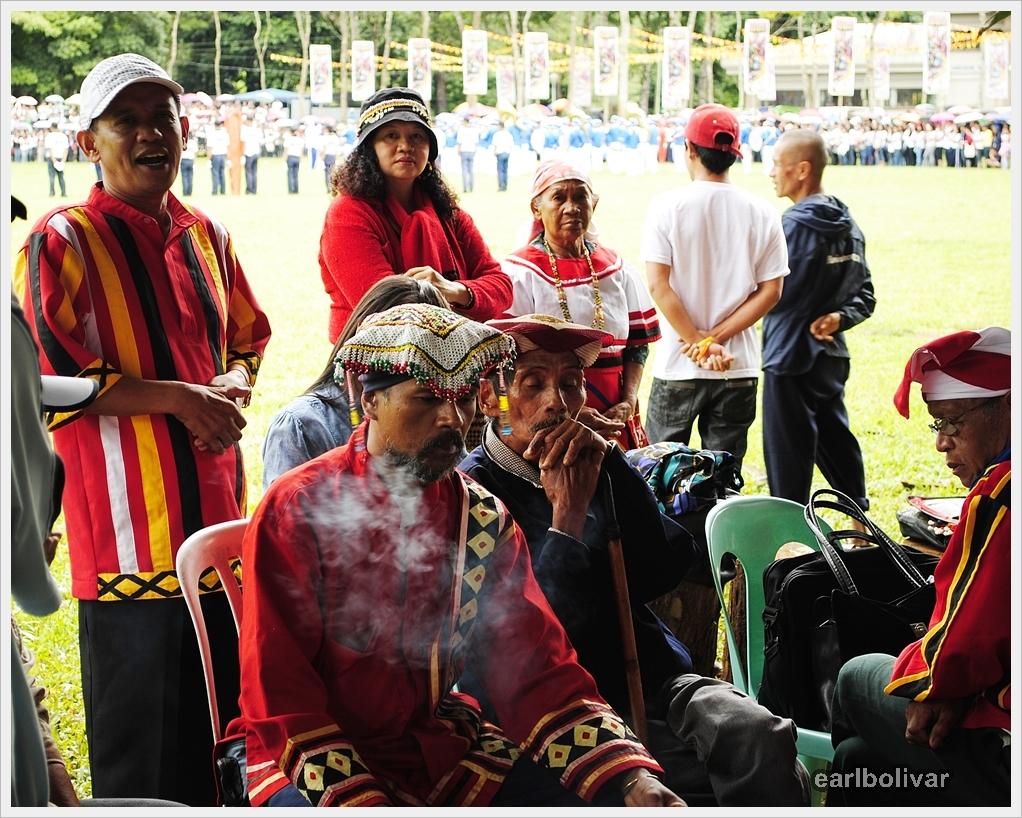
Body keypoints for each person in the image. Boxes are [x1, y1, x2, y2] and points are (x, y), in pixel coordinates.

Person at [228, 304, 685, 808]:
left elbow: (535, 668)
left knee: (592, 800)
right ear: (368, 399)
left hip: (438, 745)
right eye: (426, 398)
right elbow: (280, 694)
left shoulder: (481, 517)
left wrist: (630, 780)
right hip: (304, 751)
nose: (453, 419)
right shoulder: (298, 508)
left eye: (464, 398)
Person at [11, 53, 272, 805]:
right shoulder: (61, 240)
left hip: (219, 540)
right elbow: (42, 380)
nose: (151, 133)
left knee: (225, 753)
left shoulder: (206, 236)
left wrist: (230, 384)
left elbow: (248, 337)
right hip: (129, 550)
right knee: (146, 767)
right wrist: (182, 400)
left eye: (163, 118)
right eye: (127, 121)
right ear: (87, 143)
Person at [458, 314, 809, 807]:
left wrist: (617, 470)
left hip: (652, 679)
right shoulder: (472, 493)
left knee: (758, 734)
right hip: (554, 710)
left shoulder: (594, 462)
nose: (557, 403)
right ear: (491, 399)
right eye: (532, 384)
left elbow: (663, 569)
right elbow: (529, 635)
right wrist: (568, 522)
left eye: (571, 384)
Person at [829, 327, 1011, 807]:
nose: (941, 444)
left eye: (951, 422)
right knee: (857, 760)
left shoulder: (1003, 495)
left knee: (854, 676)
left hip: (1005, 751)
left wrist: (942, 687)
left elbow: (959, 650)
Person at [640, 103, 788, 473]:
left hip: (679, 364)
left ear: (689, 149)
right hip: (737, 368)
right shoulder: (763, 211)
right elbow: (771, 291)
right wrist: (715, 339)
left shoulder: (666, 207)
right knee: (722, 482)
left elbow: (659, 285)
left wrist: (699, 341)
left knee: (657, 478)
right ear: (734, 155)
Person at [319, 87, 512, 343]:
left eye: (417, 136)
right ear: (369, 148)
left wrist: (457, 290)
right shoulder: (348, 212)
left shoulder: (449, 213)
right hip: (372, 366)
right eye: (391, 135)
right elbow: (382, 305)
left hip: (457, 359)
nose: (405, 146)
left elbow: (502, 286)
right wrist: (436, 294)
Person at [501, 160, 661, 448]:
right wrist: (569, 405)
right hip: (553, 413)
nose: (572, 207)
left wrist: (628, 400)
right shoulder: (520, 273)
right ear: (537, 208)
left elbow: (638, 345)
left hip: (617, 414)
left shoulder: (616, 269)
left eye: (580, 197)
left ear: (593, 204)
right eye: (559, 197)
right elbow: (508, 361)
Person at [763, 129, 875, 510]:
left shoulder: (793, 225)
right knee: (836, 440)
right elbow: (867, 294)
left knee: (787, 456)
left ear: (802, 170)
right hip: (830, 357)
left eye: (777, 164)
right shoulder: (848, 223)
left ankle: (789, 543)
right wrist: (840, 318)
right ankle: (862, 527)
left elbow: (772, 293)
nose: (771, 173)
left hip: (788, 355)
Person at [261, 276, 448, 488]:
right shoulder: (302, 426)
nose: (451, 417)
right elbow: (284, 516)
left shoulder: (444, 417)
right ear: (364, 343)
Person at [44, 122, 69, 197]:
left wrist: (54, 161)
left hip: (52, 158)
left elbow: (50, 149)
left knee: (52, 176)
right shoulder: (63, 136)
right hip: (61, 158)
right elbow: (66, 149)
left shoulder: (49, 136)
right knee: (61, 177)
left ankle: (52, 193)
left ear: (51, 128)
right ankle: (63, 193)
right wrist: (63, 161)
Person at [456, 114, 480, 193]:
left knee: (464, 170)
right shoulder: (473, 130)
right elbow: (476, 142)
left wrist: (458, 150)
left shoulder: (461, 130)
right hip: (471, 150)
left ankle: (465, 188)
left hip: (464, 150)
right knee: (471, 170)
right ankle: (471, 187)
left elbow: (459, 141)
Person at [492, 119, 515, 192]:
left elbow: (495, 145)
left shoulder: (497, 134)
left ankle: (501, 186)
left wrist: (494, 152)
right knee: (505, 170)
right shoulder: (508, 134)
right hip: (507, 153)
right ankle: (505, 185)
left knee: (500, 170)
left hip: (500, 152)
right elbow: (511, 144)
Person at [208, 119, 228, 195]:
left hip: (215, 155)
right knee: (222, 173)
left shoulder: (212, 133)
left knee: (215, 174)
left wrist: (209, 159)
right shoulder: (224, 133)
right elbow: (227, 145)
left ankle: (215, 191)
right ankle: (223, 191)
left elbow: (210, 148)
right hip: (223, 155)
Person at [242, 115, 261, 194]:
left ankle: (249, 189)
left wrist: (242, 154)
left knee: (248, 172)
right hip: (256, 152)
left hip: (248, 152)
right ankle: (254, 189)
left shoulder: (245, 130)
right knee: (254, 172)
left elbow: (243, 142)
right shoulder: (257, 129)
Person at [284, 127, 304, 193]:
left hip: (290, 157)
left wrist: (284, 160)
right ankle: (296, 190)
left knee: (290, 174)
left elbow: (286, 151)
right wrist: (301, 160)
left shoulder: (288, 139)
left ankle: (291, 190)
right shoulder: (300, 140)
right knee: (296, 175)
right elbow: (301, 151)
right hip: (297, 157)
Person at [179, 130, 197, 196]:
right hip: (191, 160)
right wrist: (194, 163)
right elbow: (195, 153)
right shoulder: (193, 142)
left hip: (184, 160)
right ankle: (189, 192)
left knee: (184, 177)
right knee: (190, 177)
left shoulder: (183, 142)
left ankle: (185, 192)